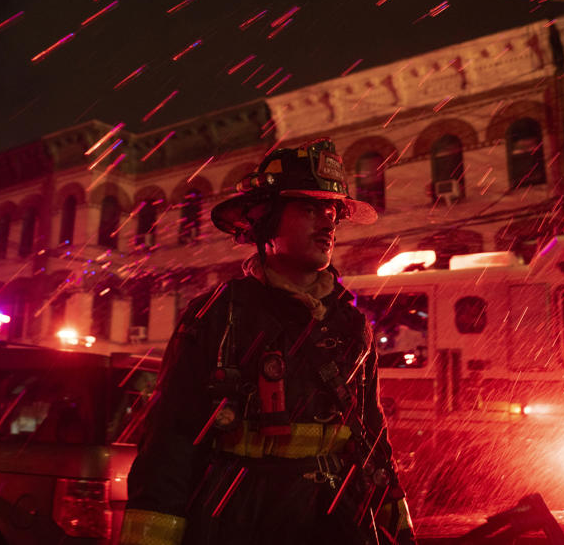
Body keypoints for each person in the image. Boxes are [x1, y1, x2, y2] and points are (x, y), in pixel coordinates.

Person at [120, 138, 415, 545]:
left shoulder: (350, 324)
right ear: (267, 219)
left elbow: (371, 434)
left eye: (332, 211)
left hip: (336, 517)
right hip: (240, 517)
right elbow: (170, 442)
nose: (328, 223)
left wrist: (395, 520)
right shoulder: (219, 316)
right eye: (310, 209)